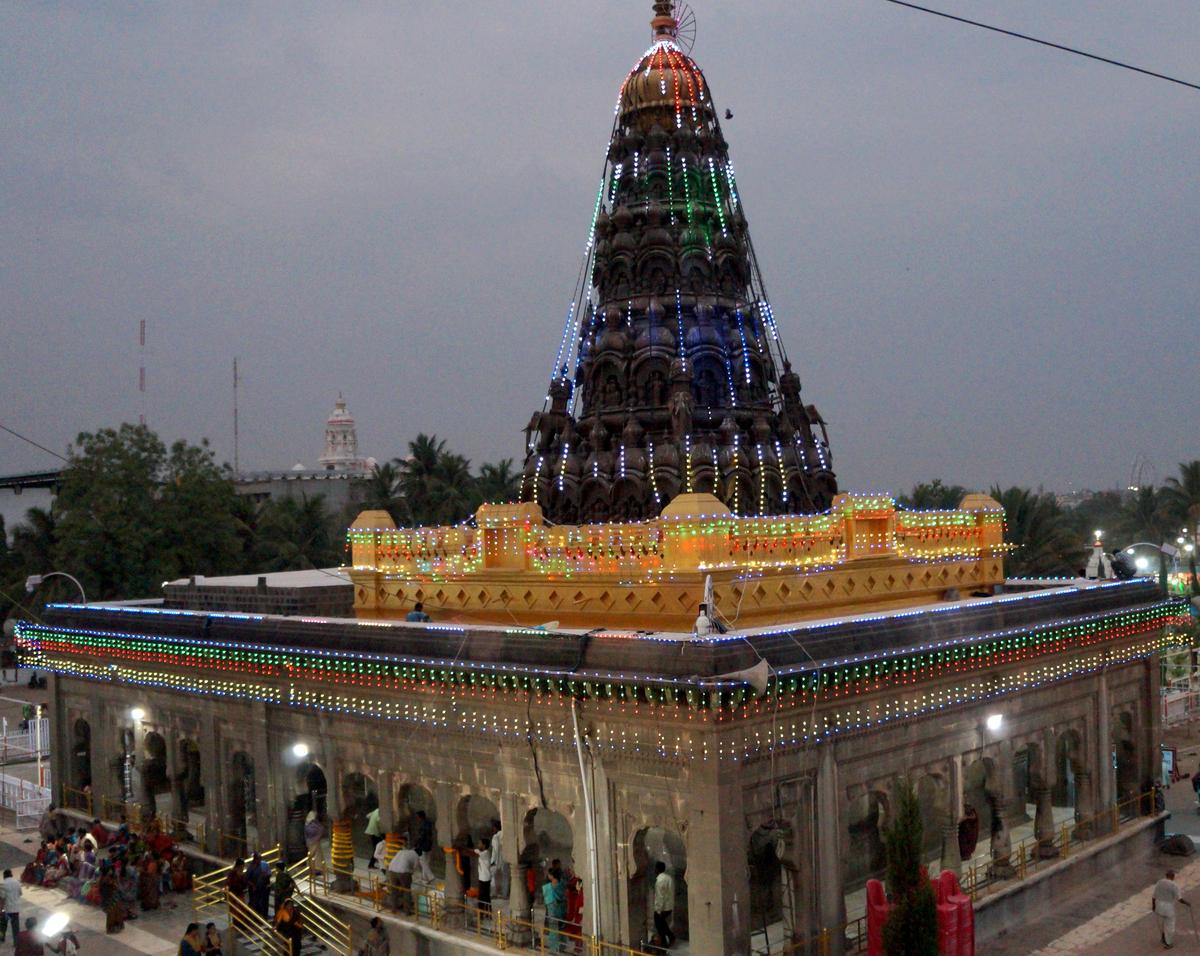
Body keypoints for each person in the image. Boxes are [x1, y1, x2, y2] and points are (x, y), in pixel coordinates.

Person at [1153, 868, 1190, 949]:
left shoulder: (1160, 882)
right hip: (1168, 908)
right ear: (1173, 876)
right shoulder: (1174, 885)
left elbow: (1154, 896)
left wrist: (1153, 906)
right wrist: (1187, 903)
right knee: (1170, 926)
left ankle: (1163, 937)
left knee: (1162, 923)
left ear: (1166, 876)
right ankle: (1168, 943)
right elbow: (1179, 899)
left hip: (1158, 906)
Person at [387, 846, 419, 915]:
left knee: (394, 890)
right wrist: (410, 874)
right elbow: (415, 868)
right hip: (403, 872)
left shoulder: (401, 851)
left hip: (391, 870)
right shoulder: (416, 855)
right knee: (406, 890)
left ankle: (393, 909)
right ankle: (407, 911)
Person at [542, 868, 567, 952]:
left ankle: (554, 948)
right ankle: (563, 947)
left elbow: (546, 897)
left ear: (552, 876)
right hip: (562, 909)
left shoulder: (548, 887)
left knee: (553, 929)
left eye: (549, 874)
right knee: (562, 928)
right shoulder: (562, 884)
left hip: (553, 909)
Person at [652, 861, 676, 948]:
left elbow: (660, 897)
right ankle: (670, 937)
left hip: (662, 908)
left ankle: (664, 945)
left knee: (659, 926)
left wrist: (658, 910)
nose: (654, 870)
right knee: (662, 923)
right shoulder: (669, 878)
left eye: (655, 868)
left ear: (657, 869)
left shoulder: (659, 881)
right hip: (669, 907)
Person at [412, 810, 436, 882]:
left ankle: (431, 876)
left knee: (423, 862)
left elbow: (422, 837)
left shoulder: (423, 825)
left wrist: (416, 844)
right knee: (426, 861)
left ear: (419, 817)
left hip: (423, 846)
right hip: (429, 845)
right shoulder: (428, 823)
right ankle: (425, 878)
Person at [247, 852, 271, 918]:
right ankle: (255, 917)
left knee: (262, 903)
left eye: (260, 858)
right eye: (258, 858)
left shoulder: (262, 865)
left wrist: (265, 876)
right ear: (255, 859)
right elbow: (247, 879)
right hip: (254, 889)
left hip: (262, 887)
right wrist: (253, 886)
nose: (260, 860)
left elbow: (268, 874)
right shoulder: (251, 867)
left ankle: (262, 916)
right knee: (255, 903)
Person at [0, 869, 21, 943]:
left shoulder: (3, 884)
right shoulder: (17, 882)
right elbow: (20, 893)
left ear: (4, 876)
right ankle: (16, 942)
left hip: (6, 909)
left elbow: (2, 899)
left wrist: (1, 909)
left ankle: (1, 938)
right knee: (15, 927)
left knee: (2, 926)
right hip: (15, 909)